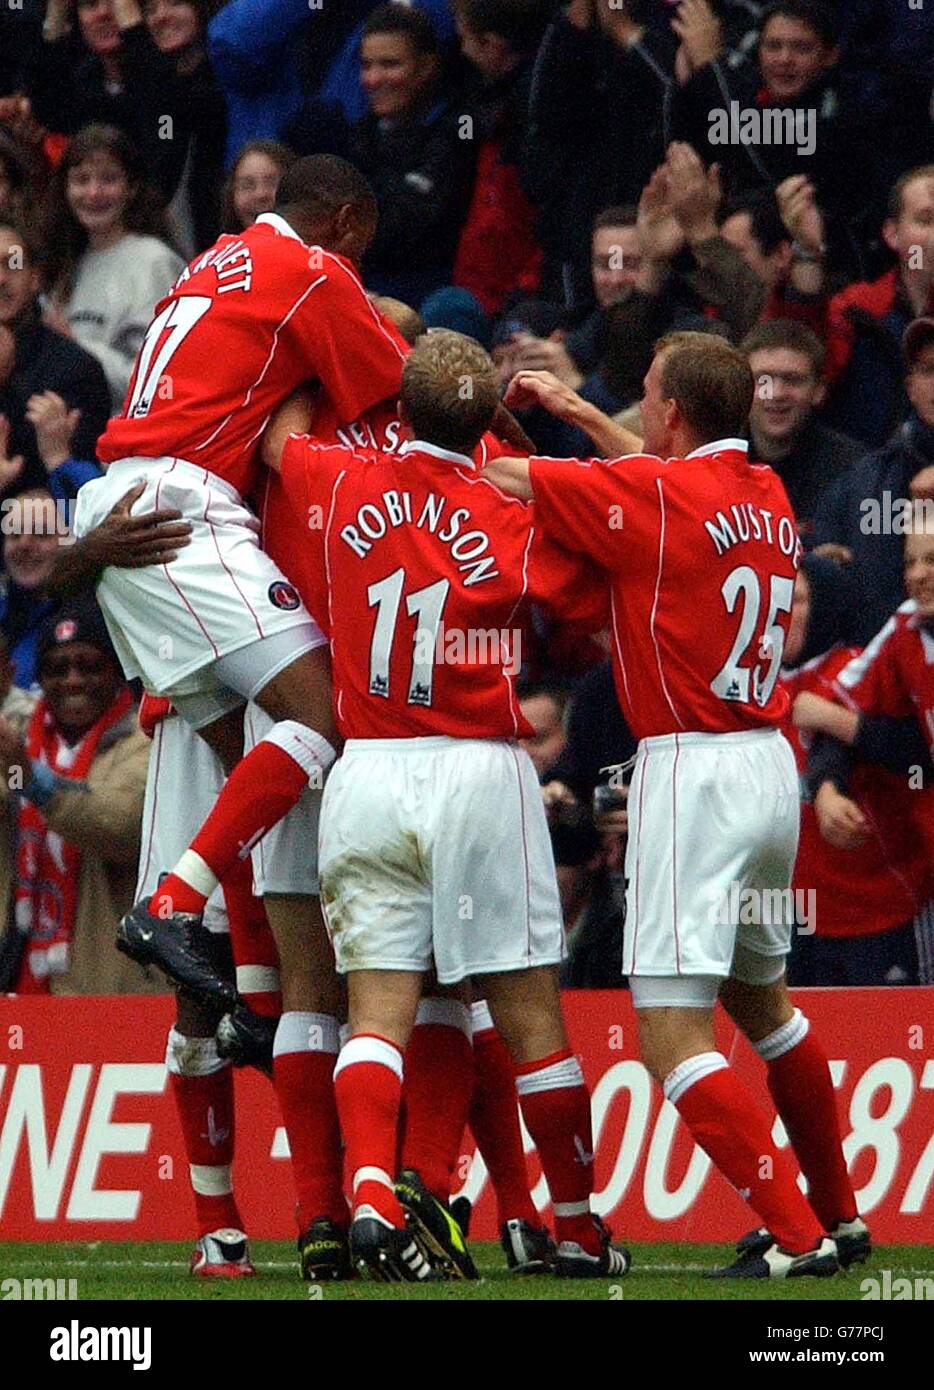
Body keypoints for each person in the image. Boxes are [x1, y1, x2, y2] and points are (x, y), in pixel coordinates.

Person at [484, 336, 866, 1277]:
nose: (641, 409)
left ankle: (798, 1236)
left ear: (671, 413)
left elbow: (501, 475)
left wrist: (486, 423)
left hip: (691, 774)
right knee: (766, 1007)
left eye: (647, 394)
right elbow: (660, 476)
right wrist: (578, 413)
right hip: (769, 768)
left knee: (668, 1034)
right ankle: (841, 1217)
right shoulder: (767, 496)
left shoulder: (651, 495)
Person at [268, 329, 627, 1281]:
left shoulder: (339, 480)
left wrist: (322, 367)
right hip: (477, 772)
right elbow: (592, 589)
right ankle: (579, 1223)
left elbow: (279, 440)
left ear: (402, 407)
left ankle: (372, 1198)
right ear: (484, 423)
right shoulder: (507, 510)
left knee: (376, 1012)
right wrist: (524, 458)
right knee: (529, 1017)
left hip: (370, 773)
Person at [779, 555, 933, 987]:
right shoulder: (759, 689)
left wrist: (832, 724)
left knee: (899, 1041)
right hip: (801, 920)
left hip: (885, 910)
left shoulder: (856, 664)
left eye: (800, 599)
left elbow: (912, 748)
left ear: (827, 604)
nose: (783, 612)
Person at [0, 594, 154, 995]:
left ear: (116, 670)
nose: (72, 680)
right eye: (56, 668)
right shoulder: (20, 732)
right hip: (19, 975)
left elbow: (122, 825)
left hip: (106, 987)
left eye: (88, 666)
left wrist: (32, 781)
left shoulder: (146, 740)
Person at [42, 123, 185, 409]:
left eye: (108, 179)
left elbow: (164, 381)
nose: (93, 193)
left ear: (131, 188)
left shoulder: (155, 262)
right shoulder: (63, 264)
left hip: (133, 446)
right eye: (81, 180)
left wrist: (73, 345)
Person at [812, 317, 934, 643]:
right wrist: (822, 572)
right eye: (928, 370)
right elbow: (817, 576)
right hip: (882, 680)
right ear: (910, 388)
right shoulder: (866, 481)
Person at [348, 4, 475, 305]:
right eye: (366, 65)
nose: (374, 78)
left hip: (436, 300)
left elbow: (405, 231)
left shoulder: (460, 129)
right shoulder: (360, 134)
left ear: (427, 66)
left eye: (390, 64)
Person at [450, 0, 549, 316]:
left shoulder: (532, 119)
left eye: (464, 38)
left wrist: (524, 288)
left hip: (514, 294)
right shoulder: (486, 106)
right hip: (481, 287)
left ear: (492, 45)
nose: (462, 51)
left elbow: (538, 213)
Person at [823, 164, 934, 447]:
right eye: (926, 220)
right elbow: (810, 379)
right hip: (866, 478)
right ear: (892, 234)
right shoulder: (854, 309)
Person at [0, 218, 111, 487]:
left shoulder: (76, 369)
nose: (0, 279)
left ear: (36, 278)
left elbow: (87, 497)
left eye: (12, 264)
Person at [742, 319, 865, 534]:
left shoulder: (855, 471)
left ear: (819, 390)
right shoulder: (710, 464)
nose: (777, 393)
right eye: (762, 380)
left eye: (792, 380)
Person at [220, 140, 296, 233]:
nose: (261, 194)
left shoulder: (314, 246)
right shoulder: (220, 247)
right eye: (247, 185)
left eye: (272, 183)